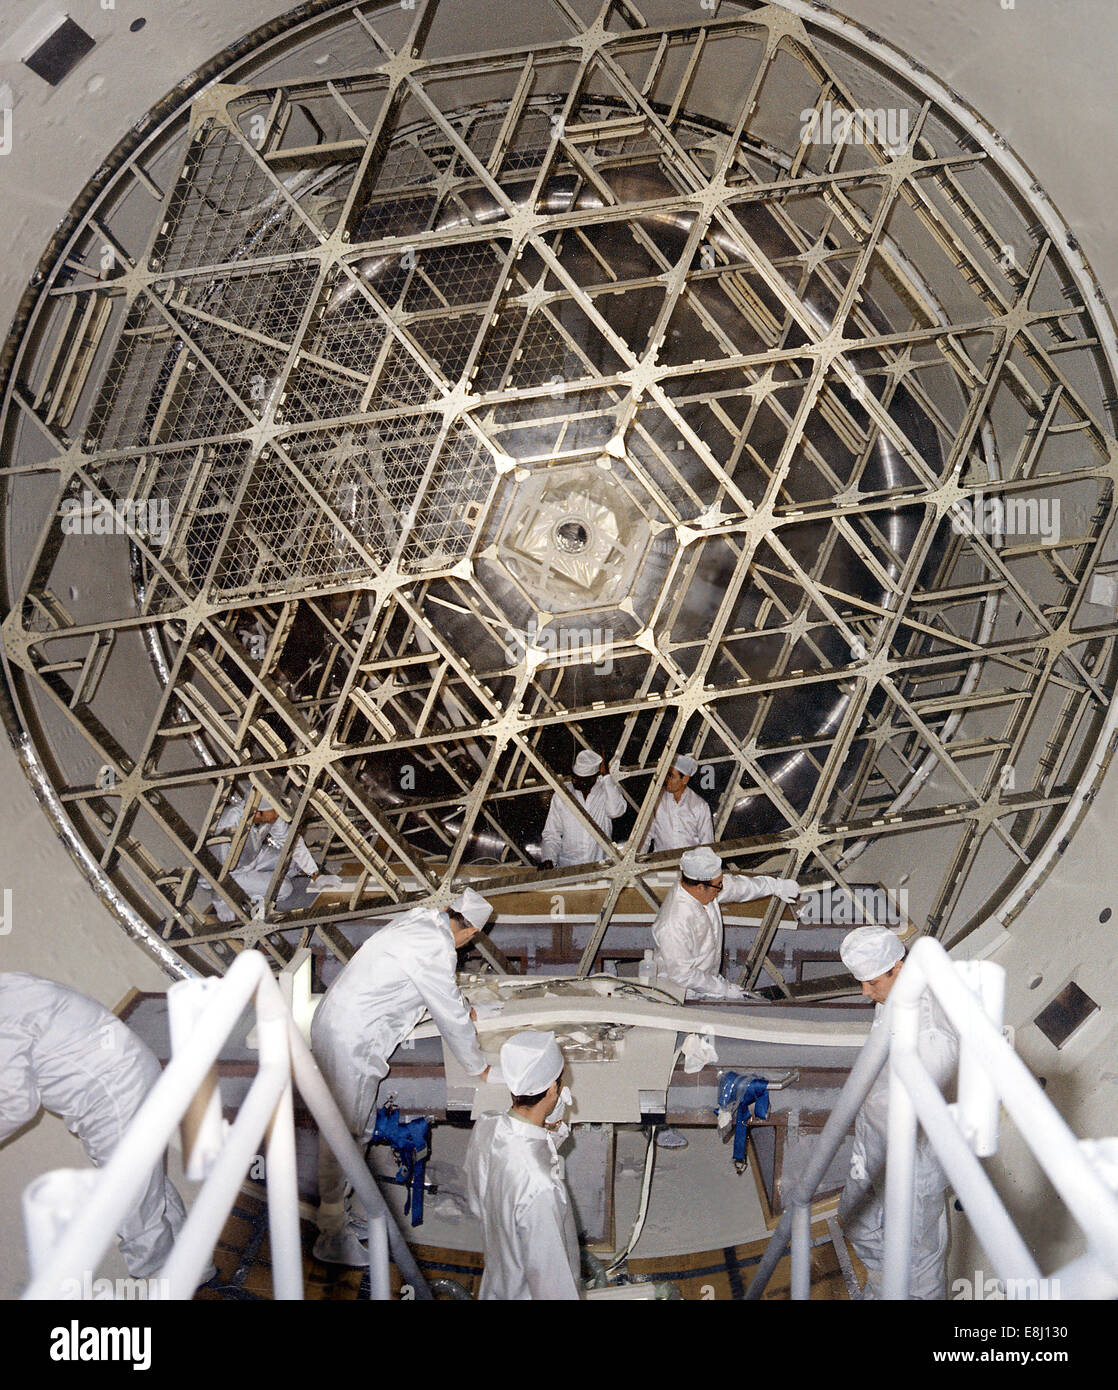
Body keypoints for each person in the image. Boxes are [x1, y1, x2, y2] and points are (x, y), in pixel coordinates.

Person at [309, 888, 493, 1264]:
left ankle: (337, 1218)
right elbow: (448, 1013)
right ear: (470, 932)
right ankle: (329, 1236)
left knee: (349, 1130)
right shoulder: (435, 948)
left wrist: (465, 1006)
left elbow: (427, 990)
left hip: (339, 1023)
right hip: (352, 1041)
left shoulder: (422, 921)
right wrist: (479, 1067)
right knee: (345, 1136)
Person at [0, 973, 186, 1278]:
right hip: (128, 1077)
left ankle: (160, 1282)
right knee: (148, 1192)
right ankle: (198, 1273)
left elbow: (16, 1104)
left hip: (112, 1096)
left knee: (131, 1209)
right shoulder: (10, 986)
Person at [837, 925, 958, 1300]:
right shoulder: (891, 997)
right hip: (873, 1136)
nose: (864, 992)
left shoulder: (933, 1037)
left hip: (915, 1157)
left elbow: (922, 1110)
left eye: (871, 982)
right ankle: (881, 1284)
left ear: (898, 968)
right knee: (856, 1220)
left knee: (919, 1259)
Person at [463, 1030, 581, 1300]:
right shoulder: (542, 1188)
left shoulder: (488, 1124)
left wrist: (549, 1132)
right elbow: (553, 1284)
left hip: (498, 1277)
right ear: (553, 1089)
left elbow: (477, 1202)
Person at [651, 846, 801, 1001]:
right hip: (681, 993)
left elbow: (737, 886)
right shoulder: (673, 922)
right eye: (718, 885)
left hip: (707, 981)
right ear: (701, 887)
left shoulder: (700, 889)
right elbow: (682, 975)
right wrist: (724, 989)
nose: (722, 888)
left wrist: (776, 886)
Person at [207, 786, 337, 922]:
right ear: (258, 812)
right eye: (274, 810)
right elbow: (216, 872)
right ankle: (251, 900)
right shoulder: (229, 824)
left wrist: (315, 874)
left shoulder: (269, 813)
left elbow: (291, 841)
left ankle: (258, 888)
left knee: (292, 862)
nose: (277, 814)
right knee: (285, 888)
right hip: (229, 872)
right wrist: (221, 902)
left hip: (252, 857)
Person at [539, 750, 625, 868]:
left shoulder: (606, 790)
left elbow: (615, 812)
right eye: (574, 777)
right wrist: (548, 859)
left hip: (600, 865)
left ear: (594, 778)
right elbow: (551, 833)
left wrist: (606, 777)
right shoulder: (562, 795)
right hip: (569, 866)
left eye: (581, 780)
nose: (575, 781)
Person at [642, 754, 714, 854]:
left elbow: (707, 844)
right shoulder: (656, 800)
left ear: (685, 779)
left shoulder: (699, 806)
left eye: (671, 775)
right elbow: (646, 835)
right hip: (661, 866)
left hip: (690, 866)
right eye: (666, 774)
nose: (666, 779)